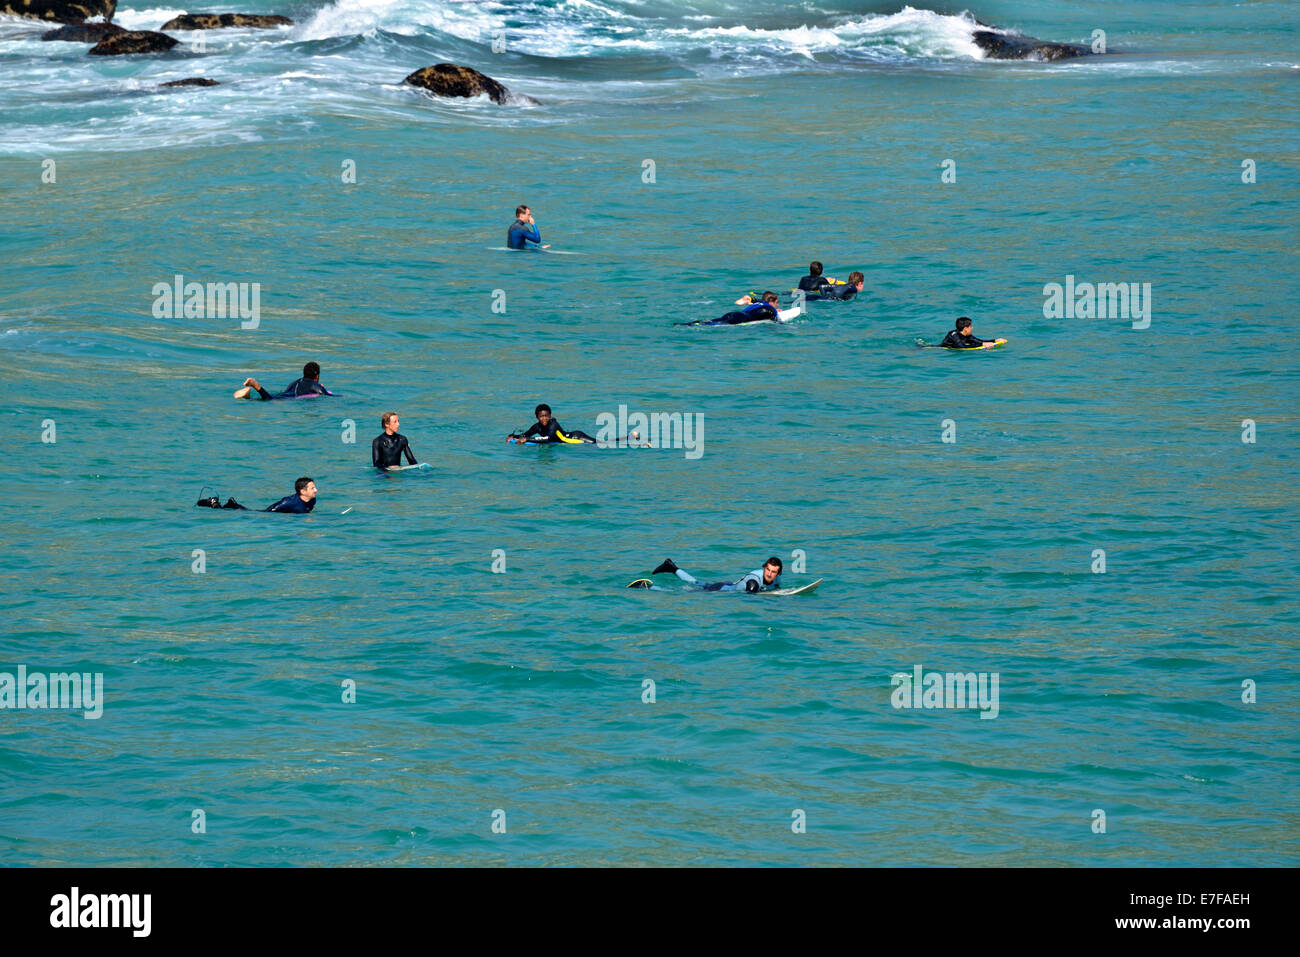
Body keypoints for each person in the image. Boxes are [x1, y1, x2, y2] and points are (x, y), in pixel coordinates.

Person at [648, 556, 783, 592]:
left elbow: (776, 589)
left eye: (773, 572)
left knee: (695, 582)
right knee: (686, 591)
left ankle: (671, 567)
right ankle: (650, 587)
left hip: (728, 585)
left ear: (778, 574)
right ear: (764, 567)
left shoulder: (777, 579)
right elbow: (752, 596)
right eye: (768, 570)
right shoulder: (754, 581)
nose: (769, 574)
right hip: (720, 590)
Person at [196, 477, 318, 513]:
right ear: (302, 491)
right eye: (312, 488)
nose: (316, 490)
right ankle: (215, 504)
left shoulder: (312, 500)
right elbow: (267, 513)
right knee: (254, 512)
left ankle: (233, 504)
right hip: (271, 513)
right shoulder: (289, 502)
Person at [234, 362, 333, 400]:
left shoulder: (296, 382)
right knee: (270, 399)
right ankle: (256, 385)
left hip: (286, 394)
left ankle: (247, 397)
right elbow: (329, 397)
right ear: (317, 376)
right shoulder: (316, 386)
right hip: (289, 398)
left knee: (270, 398)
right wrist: (322, 388)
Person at [508, 404, 597, 444]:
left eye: (546, 416)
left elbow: (547, 439)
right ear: (537, 417)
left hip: (575, 437)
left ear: (550, 415)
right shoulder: (536, 427)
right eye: (541, 416)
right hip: (563, 441)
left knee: (598, 443)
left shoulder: (553, 424)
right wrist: (513, 436)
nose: (544, 418)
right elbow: (525, 434)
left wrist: (527, 440)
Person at [682, 292, 781, 326]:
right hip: (740, 318)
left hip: (734, 314)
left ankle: (688, 324)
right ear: (772, 302)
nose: (777, 305)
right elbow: (775, 319)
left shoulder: (759, 303)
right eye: (776, 303)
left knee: (712, 321)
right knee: (714, 324)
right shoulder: (768, 308)